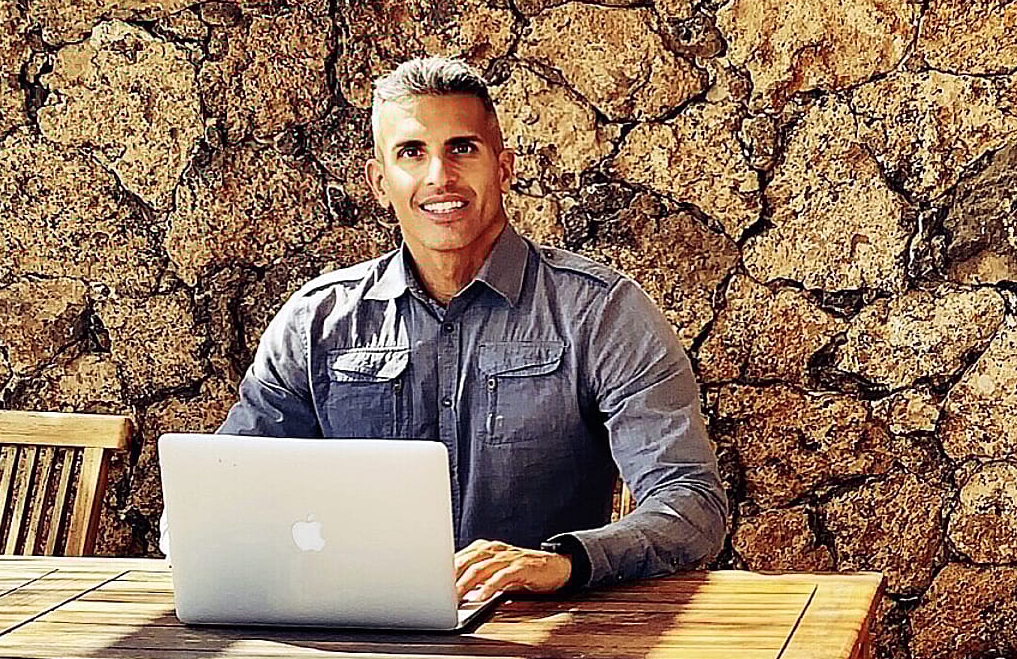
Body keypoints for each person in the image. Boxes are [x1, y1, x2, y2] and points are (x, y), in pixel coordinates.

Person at [166, 56, 728, 600]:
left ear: (503, 168)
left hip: (538, 637)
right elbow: (228, 491)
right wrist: (198, 530)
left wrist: (564, 562)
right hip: (352, 634)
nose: (440, 176)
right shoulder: (316, 322)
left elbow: (692, 504)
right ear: (380, 181)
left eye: (462, 147)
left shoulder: (602, 313)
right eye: (412, 152)